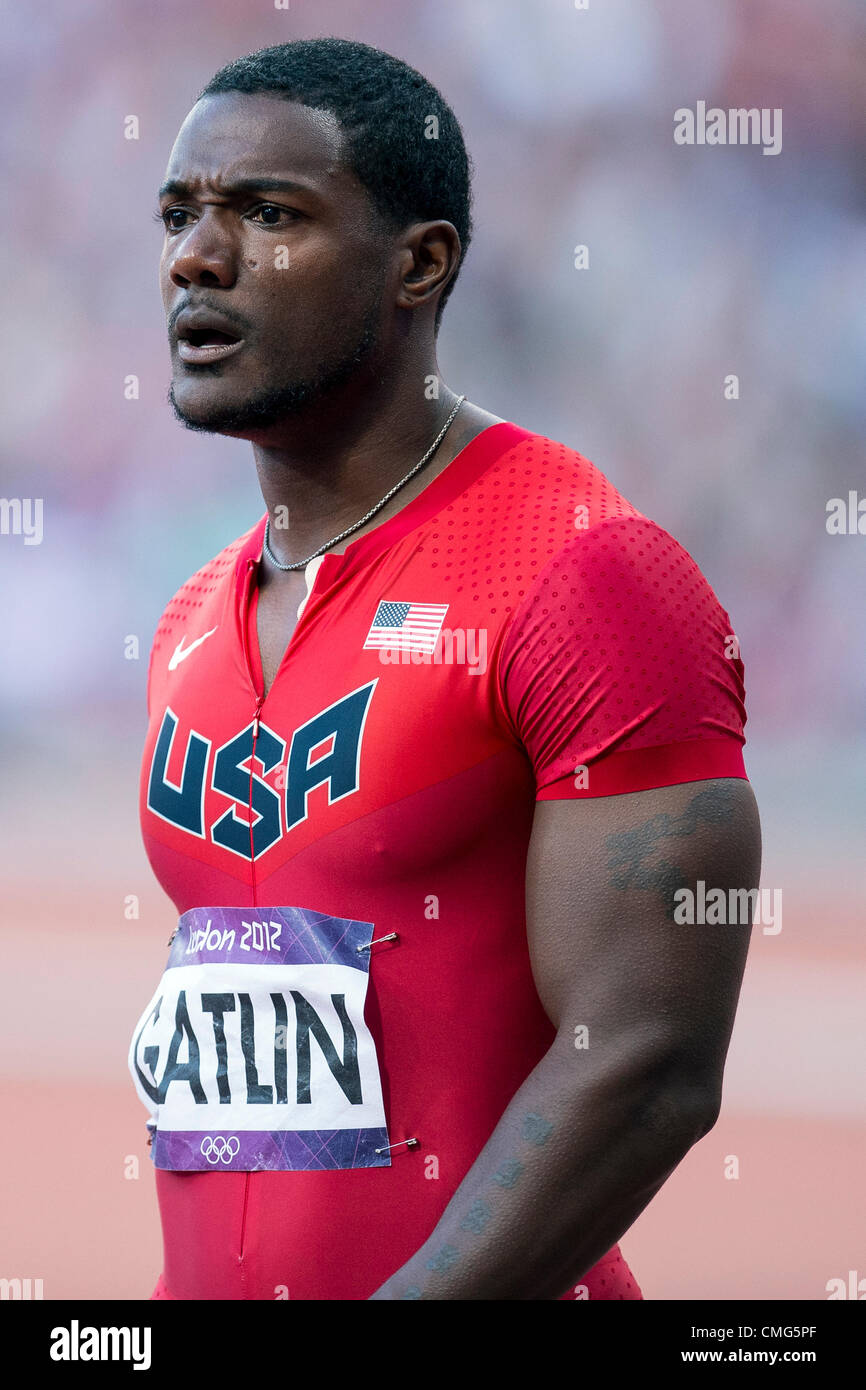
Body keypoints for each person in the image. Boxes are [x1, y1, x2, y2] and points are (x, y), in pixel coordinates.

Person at [130, 37, 761, 1301]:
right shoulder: (195, 618)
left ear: (419, 263)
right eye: (181, 213)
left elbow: (644, 1062)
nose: (198, 256)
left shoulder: (584, 571)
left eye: (268, 213)